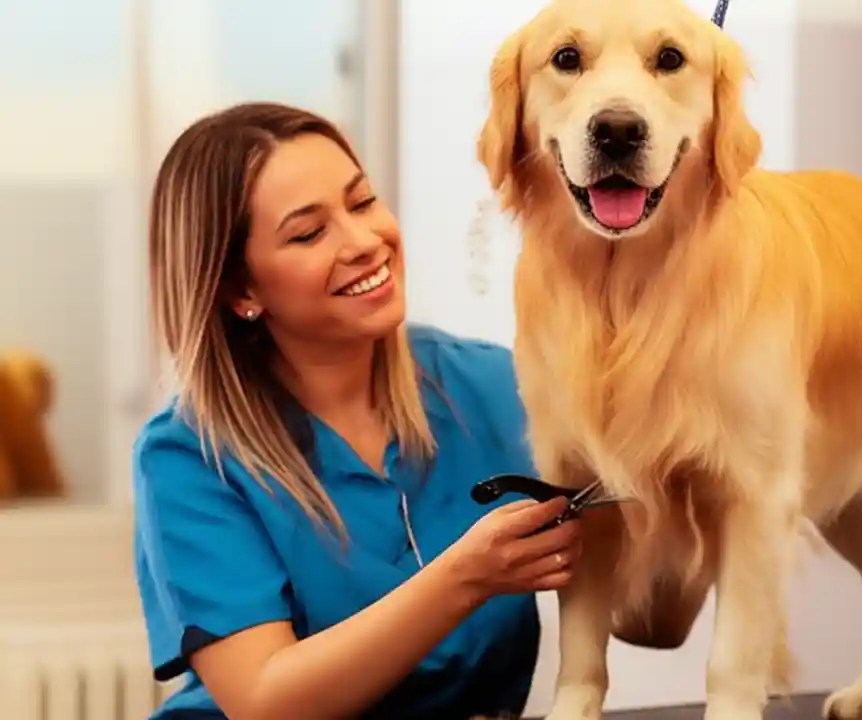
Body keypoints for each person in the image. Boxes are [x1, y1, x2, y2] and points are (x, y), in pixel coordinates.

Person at [133, 101, 582, 720]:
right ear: (242, 290)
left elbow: (653, 623)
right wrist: (465, 578)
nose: (365, 242)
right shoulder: (189, 456)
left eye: (363, 201)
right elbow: (267, 702)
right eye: (309, 232)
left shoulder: (496, 387)